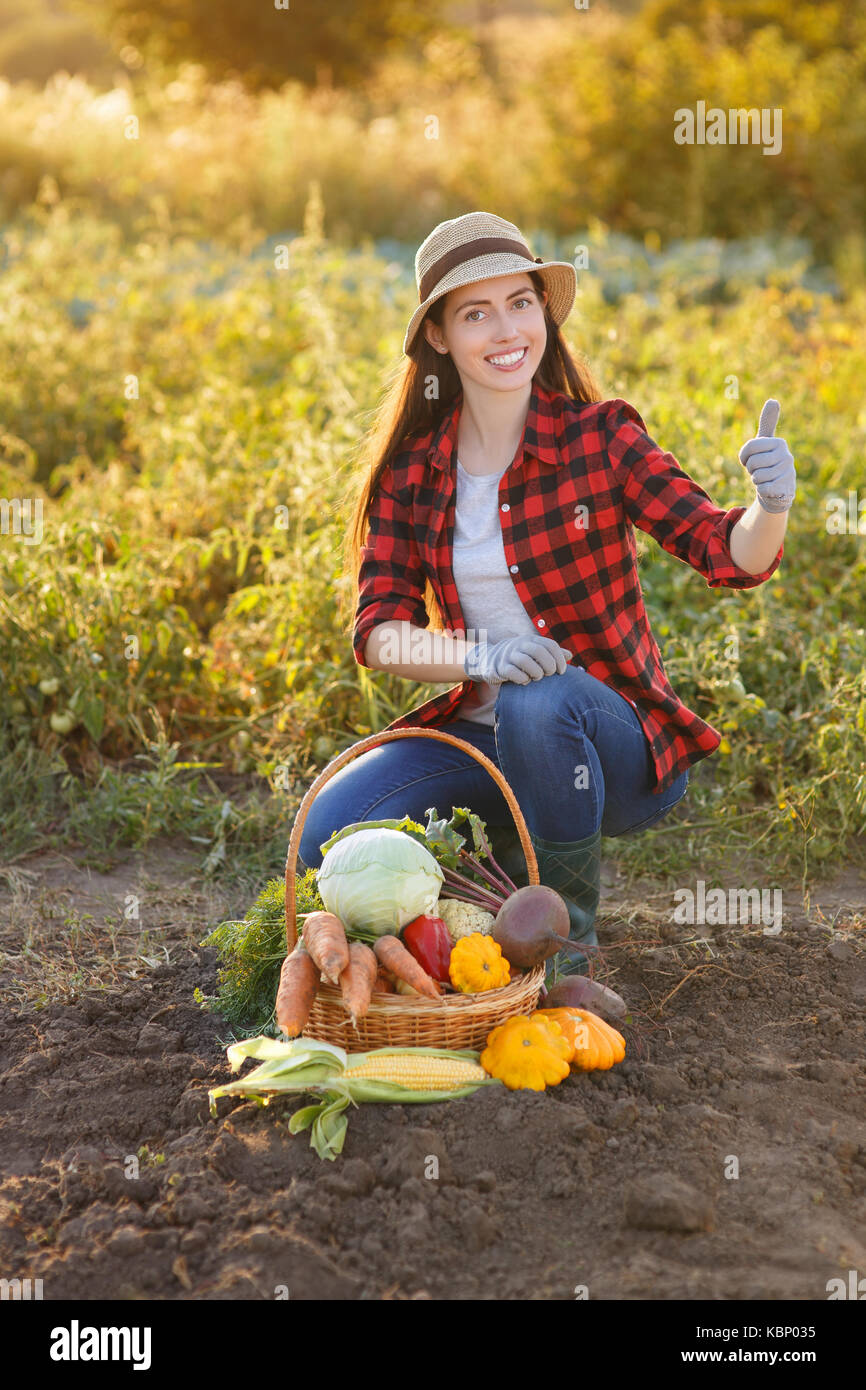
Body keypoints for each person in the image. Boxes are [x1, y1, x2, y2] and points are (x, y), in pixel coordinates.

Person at [296, 211, 795, 978]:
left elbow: (727, 554)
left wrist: (771, 505)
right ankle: (496, 866)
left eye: (520, 303)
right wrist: (486, 653)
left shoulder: (600, 438)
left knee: (538, 701)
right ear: (439, 337)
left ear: (544, 313)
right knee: (326, 834)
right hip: (481, 740)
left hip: (612, 750)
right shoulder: (413, 473)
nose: (506, 330)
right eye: (476, 312)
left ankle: (564, 960)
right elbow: (379, 635)